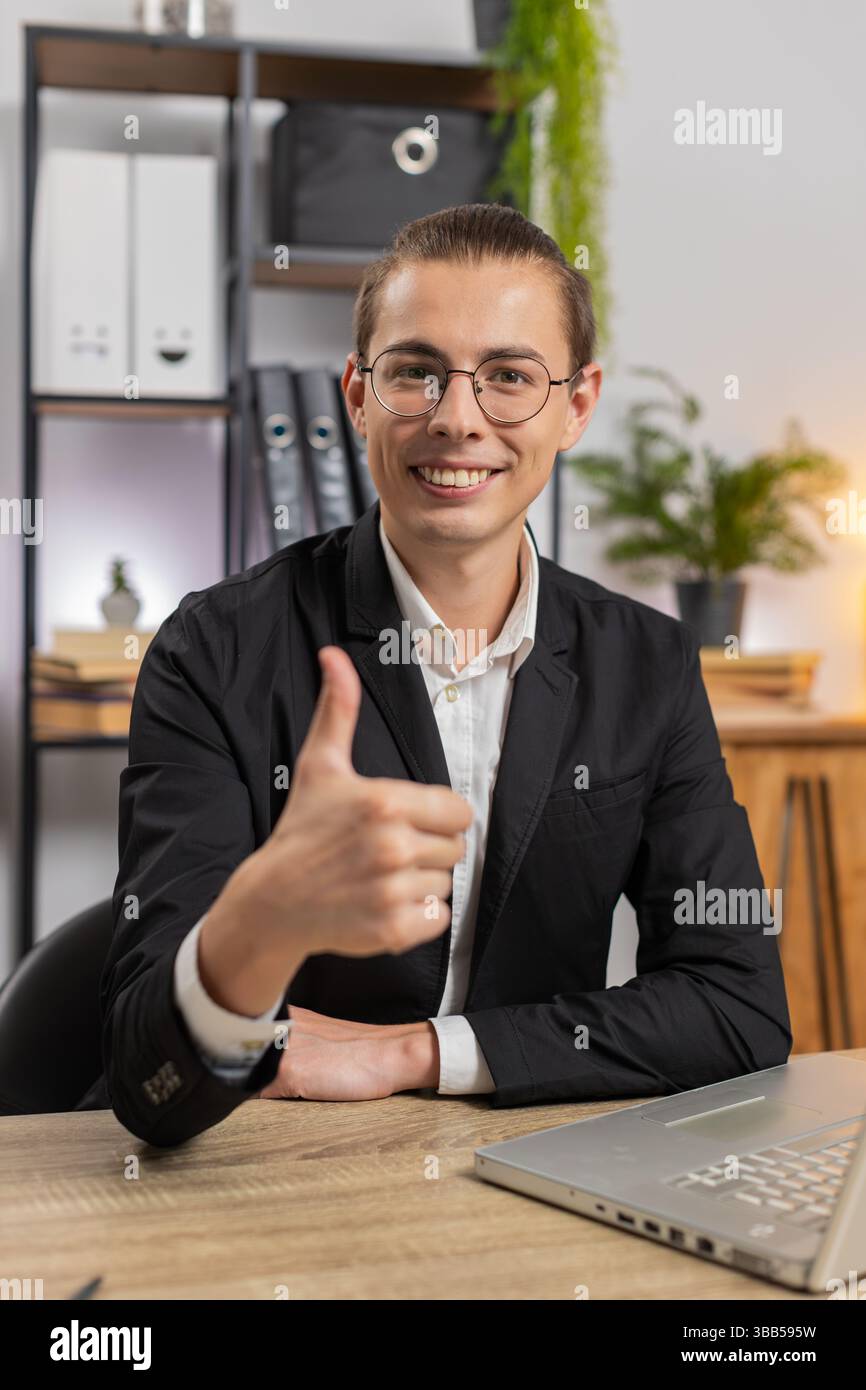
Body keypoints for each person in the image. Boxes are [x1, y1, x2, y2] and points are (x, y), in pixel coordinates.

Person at [84, 202, 791, 1146]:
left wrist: (417, 1051)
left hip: (524, 1174)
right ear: (357, 394)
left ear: (576, 405)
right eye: (415, 372)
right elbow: (149, 1078)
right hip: (265, 1175)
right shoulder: (212, 652)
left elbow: (738, 1008)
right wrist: (259, 921)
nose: (458, 419)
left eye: (509, 377)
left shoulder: (648, 664)